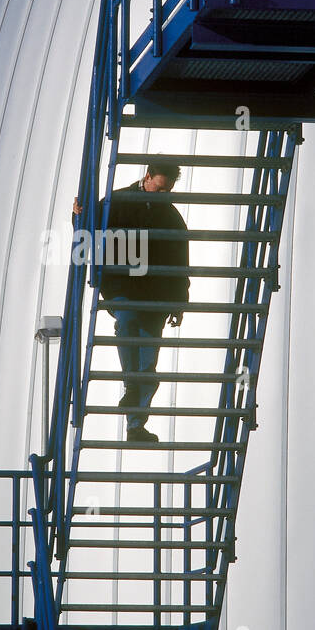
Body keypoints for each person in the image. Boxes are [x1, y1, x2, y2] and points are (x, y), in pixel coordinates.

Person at [74, 158, 189, 442]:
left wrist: (179, 300)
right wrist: (78, 216)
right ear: (147, 177)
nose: (163, 196)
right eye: (159, 189)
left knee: (148, 365)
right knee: (127, 325)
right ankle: (133, 389)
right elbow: (89, 225)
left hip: (155, 294)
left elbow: (180, 259)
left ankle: (135, 426)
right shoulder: (118, 202)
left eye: (168, 192)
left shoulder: (171, 217)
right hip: (123, 286)